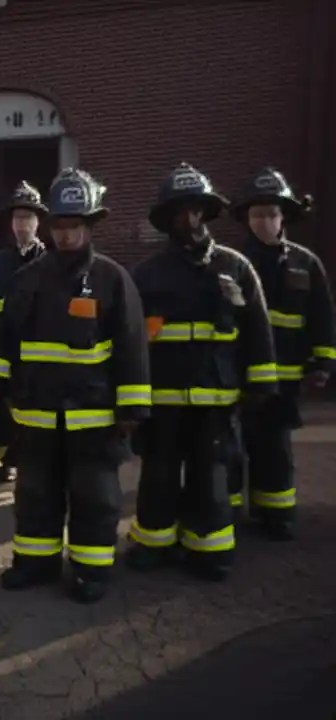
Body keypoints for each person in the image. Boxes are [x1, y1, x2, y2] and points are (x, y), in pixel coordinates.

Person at [0, 168, 149, 603]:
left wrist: (131, 412)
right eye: (59, 226)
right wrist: (1, 392)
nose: (66, 235)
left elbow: (133, 348)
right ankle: (35, 563)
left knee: (93, 496)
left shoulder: (113, 280)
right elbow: (5, 342)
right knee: (35, 493)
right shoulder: (26, 279)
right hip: (36, 414)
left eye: (74, 226)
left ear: (90, 225)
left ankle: (91, 570)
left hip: (93, 418)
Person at [128, 162, 277, 581]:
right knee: (157, 477)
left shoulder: (236, 268)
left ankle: (208, 551)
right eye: (179, 212)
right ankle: (154, 544)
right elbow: (133, 343)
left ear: (207, 213)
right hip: (162, 402)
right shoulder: (148, 275)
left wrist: (261, 385)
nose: (188, 220)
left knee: (211, 480)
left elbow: (257, 331)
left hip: (217, 402)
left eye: (195, 210)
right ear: (167, 219)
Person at [228, 167, 332, 540]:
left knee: (275, 449)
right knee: (233, 447)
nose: (265, 222)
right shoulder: (233, 264)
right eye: (257, 215)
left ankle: (276, 514)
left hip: (285, 377)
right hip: (240, 376)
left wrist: (323, 362)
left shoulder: (306, 263)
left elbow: (322, 316)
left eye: (272, 214)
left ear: (284, 216)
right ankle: (228, 512)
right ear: (246, 219)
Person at [0, 182, 47, 482]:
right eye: (18, 219)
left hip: (40, 352)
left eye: (28, 219)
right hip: (3, 351)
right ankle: (8, 461)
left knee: (37, 406)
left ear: (38, 223)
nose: (23, 225)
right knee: (4, 410)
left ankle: (36, 460)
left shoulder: (49, 261)